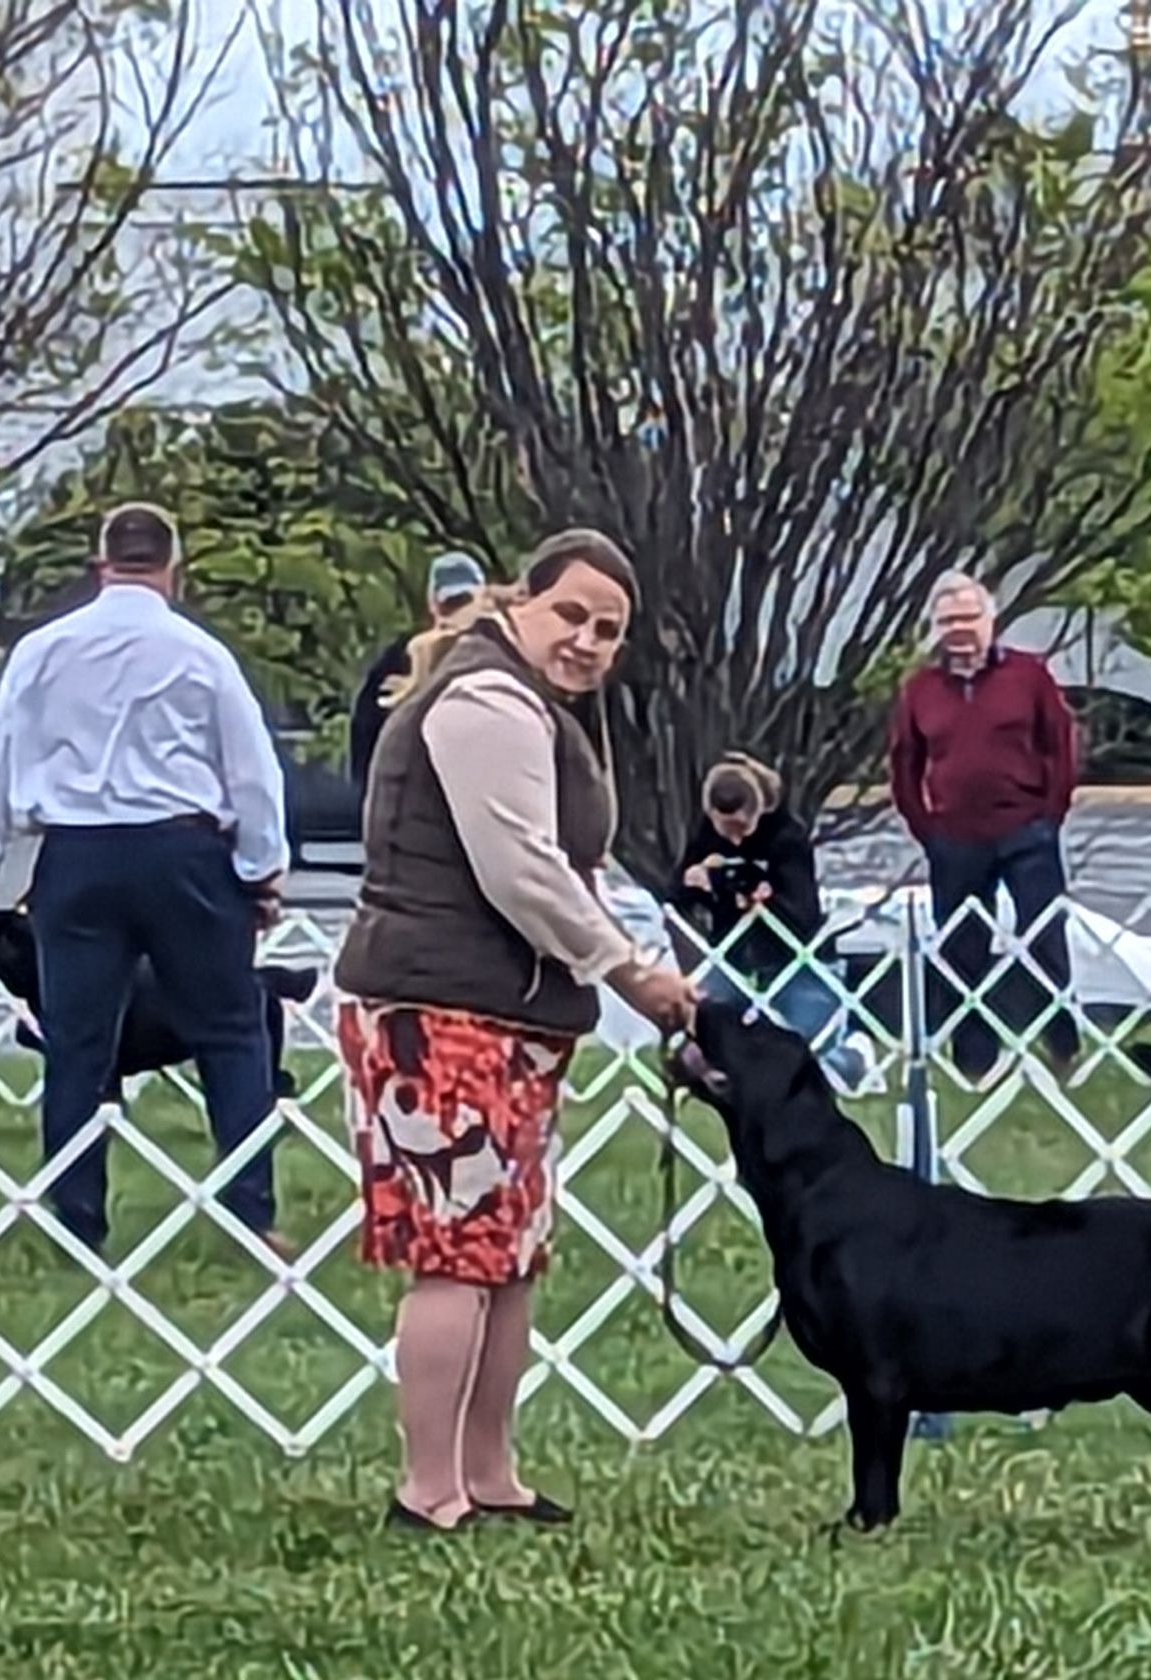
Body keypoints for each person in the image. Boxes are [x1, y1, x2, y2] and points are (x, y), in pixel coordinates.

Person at [334, 528, 696, 1533]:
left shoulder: (530, 700)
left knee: (508, 1252)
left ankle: (488, 1473)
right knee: (455, 1251)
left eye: (607, 630)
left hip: (508, 1011)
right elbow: (520, 869)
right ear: (521, 602)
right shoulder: (486, 697)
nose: (585, 639)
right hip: (435, 1009)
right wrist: (629, 969)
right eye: (570, 614)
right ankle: (427, 1488)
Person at [0, 504, 291, 1258]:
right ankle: (252, 1213)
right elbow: (251, 773)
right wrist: (262, 870)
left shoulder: (43, 651)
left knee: (76, 1045)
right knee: (232, 1032)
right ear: (175, 569)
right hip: (183, 855)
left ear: (100, 565)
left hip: (77, 860)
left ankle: (76, 1221)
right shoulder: (202, 655)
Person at [887, 571, 1080, 1080]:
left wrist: (1050, 812)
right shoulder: (920, 690)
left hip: (1027, 832)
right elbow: (904, 762)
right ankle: (973, 1059)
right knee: (961, 947)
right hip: (955, 840)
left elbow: (1059, 744)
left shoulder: (1029, 676)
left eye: (968, 618)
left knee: (1044, 935)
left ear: (989, 620)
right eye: (948, 620)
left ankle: (1063, 1043)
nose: (959, 629)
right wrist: (924, 825)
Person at [668, 755, 873, 1088]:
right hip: (731, 954)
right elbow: (677, 895)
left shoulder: (787, 837)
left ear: (758, 811)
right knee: (711, 1029)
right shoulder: (705, 838)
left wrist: (744, 886)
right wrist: (697, 883)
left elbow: (800, 912)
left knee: (805, 1047)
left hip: (794, 958)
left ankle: (851, 1056)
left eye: (741, 830)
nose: (734, 840)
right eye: (725, 830)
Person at [348, 548, 488, 795]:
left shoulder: (494, 657)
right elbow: (367, 737)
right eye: (450, 604)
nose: (455, 613)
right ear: (433, 604)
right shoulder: (398, 660)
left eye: (464, 601)